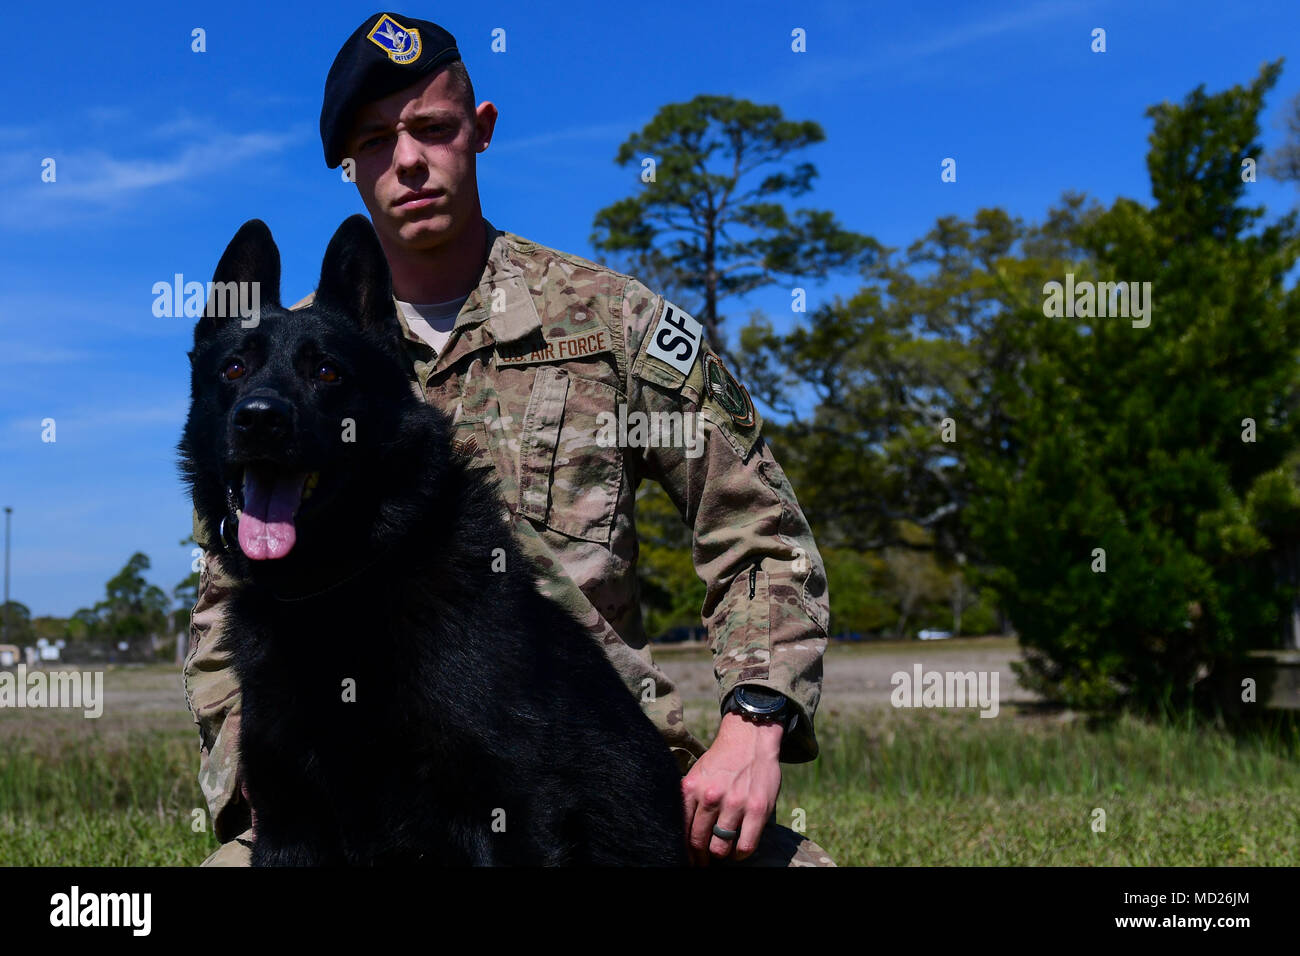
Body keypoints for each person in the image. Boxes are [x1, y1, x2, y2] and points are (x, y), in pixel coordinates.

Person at [184, 11, 834, 867]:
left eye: (433, 128)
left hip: (601, 789)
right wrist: (272, 791)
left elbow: (762, 538)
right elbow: (223, 616)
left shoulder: (614, 323)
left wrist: (754, 722)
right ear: (347, 165)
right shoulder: (280, 372)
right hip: (334, 802)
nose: (408, 160)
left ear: (480, 132)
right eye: (376, 140)